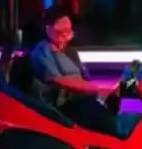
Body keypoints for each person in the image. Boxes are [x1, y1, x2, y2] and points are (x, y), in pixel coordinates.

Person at [31, 7, 120, 136]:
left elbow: (84, 78)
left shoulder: (70, 52)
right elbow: (57, 80)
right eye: (60, 31)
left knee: (110, 110)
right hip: (63, 104)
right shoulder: (42, 52)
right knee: (106, 121)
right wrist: (93, 88)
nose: (65, 36)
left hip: (81, 99)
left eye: (68, 31)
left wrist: (105, 91)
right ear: (48, 30)